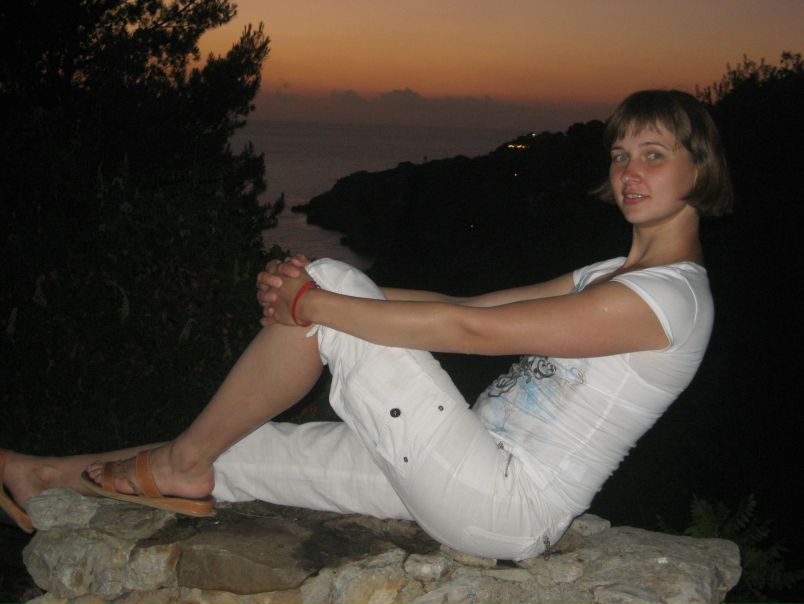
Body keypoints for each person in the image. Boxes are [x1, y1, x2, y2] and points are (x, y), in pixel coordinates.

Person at [1, 89, 732, 560]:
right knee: (238, 448)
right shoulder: (608, 273)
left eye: (654, 155)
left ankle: (180, 463)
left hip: (506, 504)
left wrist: (317, 304)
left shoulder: (671, 299)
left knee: (327, 291)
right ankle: (48, 476)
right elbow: (478, 306)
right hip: (460, 465)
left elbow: (472, 335)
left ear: (698, 171)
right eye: (621, 154)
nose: (629, 171)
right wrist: (318, 292)